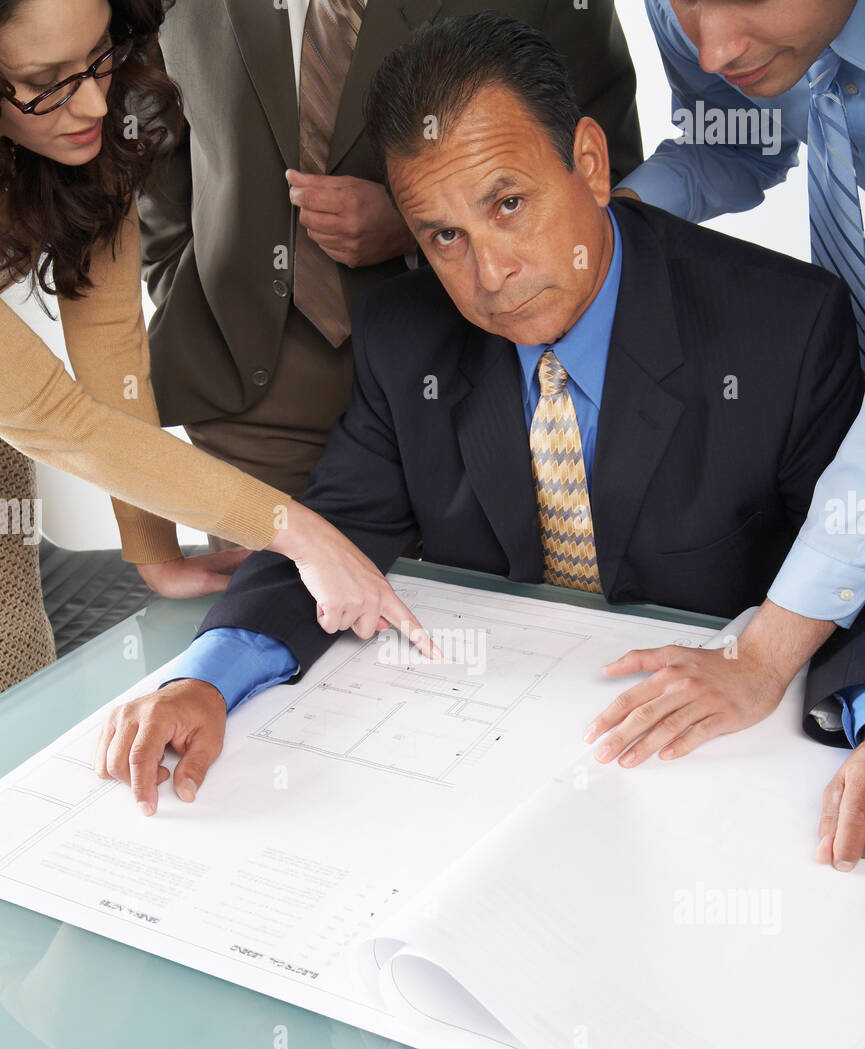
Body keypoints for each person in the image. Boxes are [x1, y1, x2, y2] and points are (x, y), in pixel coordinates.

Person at [95, 10, 865, 874]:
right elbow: (336, 524)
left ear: (586, 161)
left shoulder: (785, 329)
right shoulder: (407, 335)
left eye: (509, 205)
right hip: (504, 779)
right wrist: (206, 675)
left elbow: (854, 562)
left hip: (719, 787)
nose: (489, 274)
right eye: (443, 236)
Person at [0, 0, 434, 694]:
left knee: (10, 654)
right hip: (23, 405)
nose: (89, 102)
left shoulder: (98, 127)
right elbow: (53, 416)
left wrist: (154, 551)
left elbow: (113, 352)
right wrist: (301, 532)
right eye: (47, 79)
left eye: (98, 58)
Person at [138, 0, 644, 547]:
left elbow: (609, 186)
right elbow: (154, 170)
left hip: (480, 378)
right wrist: (182, 293)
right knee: (278, 616)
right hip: (255, 399)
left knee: (481, 621)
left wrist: (420, 230)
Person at [605, 0, 865, 867]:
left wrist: (760, 658)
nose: (711, 48)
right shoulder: (717, 28)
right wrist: (611, 229)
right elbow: (734, 139)